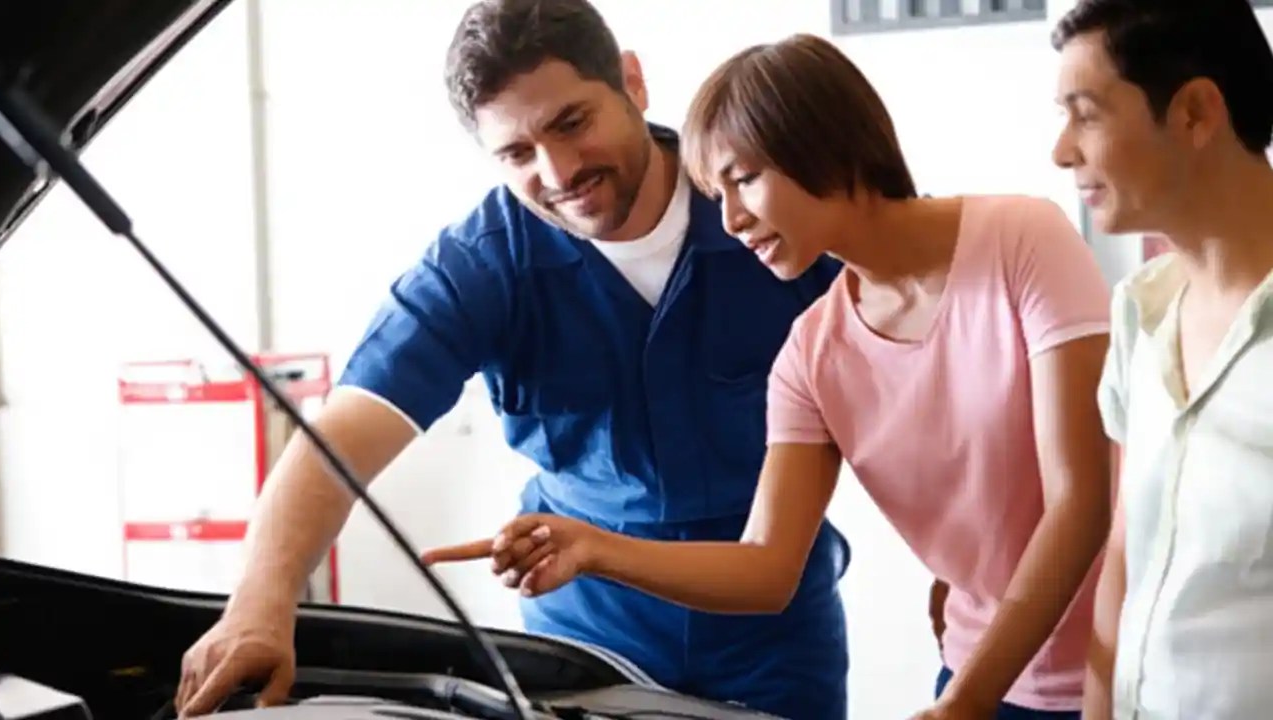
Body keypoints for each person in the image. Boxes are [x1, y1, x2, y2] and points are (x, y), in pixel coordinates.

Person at [172, 1, 849, 718]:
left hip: (774, 637)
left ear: (633, 83)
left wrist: (966, 565)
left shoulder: (766, 201)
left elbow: (927, 338)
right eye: (517, 154)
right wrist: (258, 601)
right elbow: (340, 440)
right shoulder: (482, 265)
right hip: (587, 642)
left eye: (572, 123)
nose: (559, 172)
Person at [426, 33, 1116, 720]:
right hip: (985, 673)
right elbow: (765, 566)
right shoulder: (811, 355)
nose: (730, 220)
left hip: (1118, 659)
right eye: (713, 193)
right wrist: (594, 547)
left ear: (822, 143)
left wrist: (966, 700)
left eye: (743, 179)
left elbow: (1081, 501)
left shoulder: (1023, 239)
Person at [1050, 1, 1273, 718]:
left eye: (1086, 115)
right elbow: (1127, 547)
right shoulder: (1138, 314)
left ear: (1195, 113)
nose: (1062, 150)